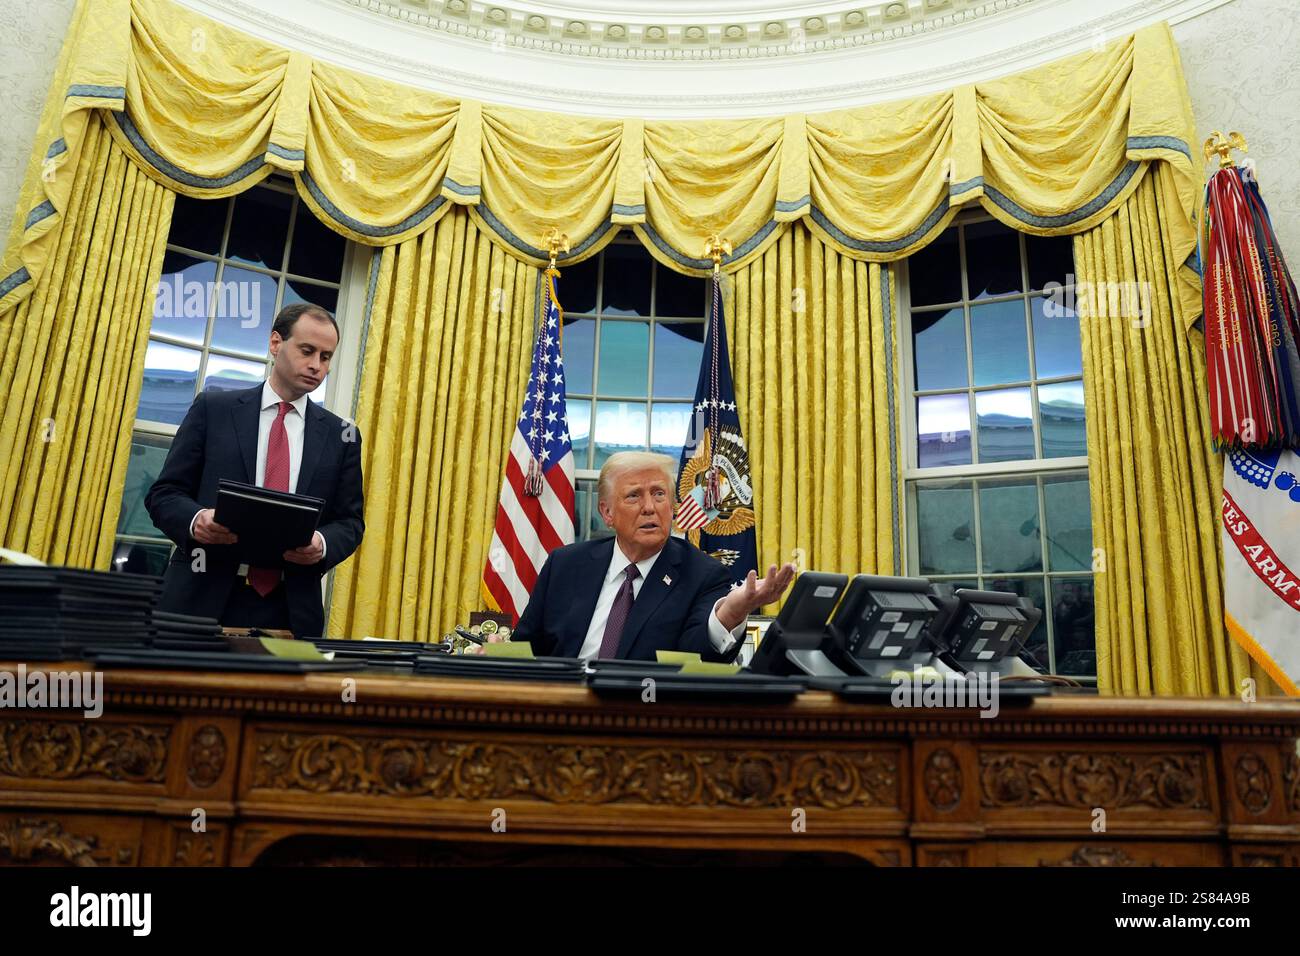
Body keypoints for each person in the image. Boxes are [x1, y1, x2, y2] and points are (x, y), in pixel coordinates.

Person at [145, 303, 364, 637]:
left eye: (326, 357)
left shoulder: (342, 436)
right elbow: (164, 495)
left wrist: (321, 542)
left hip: (291, 610)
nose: (317, 366)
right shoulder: (213, 409)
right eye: (307, 351)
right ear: (276, 343)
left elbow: (350, 522)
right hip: (198, 601)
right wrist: (196, 520)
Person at [510, 451, 795, 662]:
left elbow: (698, 659)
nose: (649, 507)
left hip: (646, 715)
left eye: (659, 495)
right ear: (606, 512)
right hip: (561, 713)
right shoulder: (565, 564)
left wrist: (732, 611)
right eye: (634, 496)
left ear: (672, 507)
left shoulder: (703, 575)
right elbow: (524, 649)